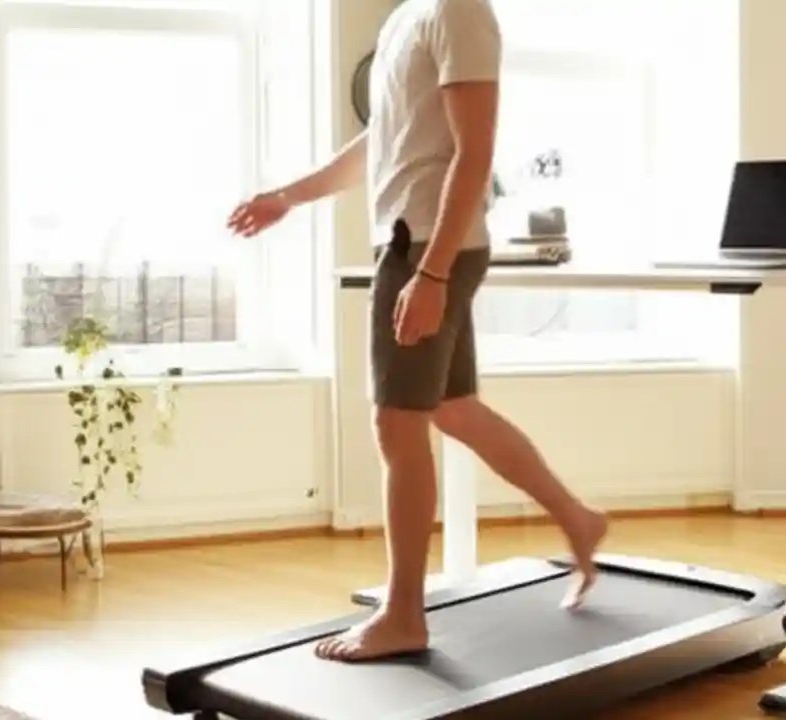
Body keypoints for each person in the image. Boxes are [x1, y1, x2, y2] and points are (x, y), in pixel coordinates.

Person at [226, 0, 608, 663]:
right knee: (453, 409)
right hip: (414, 243)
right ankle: (578, 519)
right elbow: (383, 141)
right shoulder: (407, 17)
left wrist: (430, 275)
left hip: (426, 246)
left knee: (397, 426)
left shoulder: (458, 10)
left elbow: (475, 151)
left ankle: (404, 614)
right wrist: (288, 196)